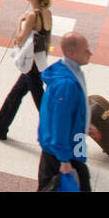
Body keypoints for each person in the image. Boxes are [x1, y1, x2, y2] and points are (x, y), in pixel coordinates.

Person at [0, 0, 53, 141]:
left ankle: (57, 133)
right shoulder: (47, 13)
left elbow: (19, 40)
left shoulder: (32, 16)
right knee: (16, 94)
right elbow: (47, 37)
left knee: (41, 102)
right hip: (40, 59)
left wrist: (19, 22)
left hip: (31, 65)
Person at [37, 32, 96, 192]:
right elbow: (60, 122)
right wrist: (63, 159)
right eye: (86, 50)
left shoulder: (70, 72)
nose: (90, 53)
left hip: (68, 147)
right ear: (72, 54)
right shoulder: (66, 85)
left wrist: (83, 125)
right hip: (61, 152)